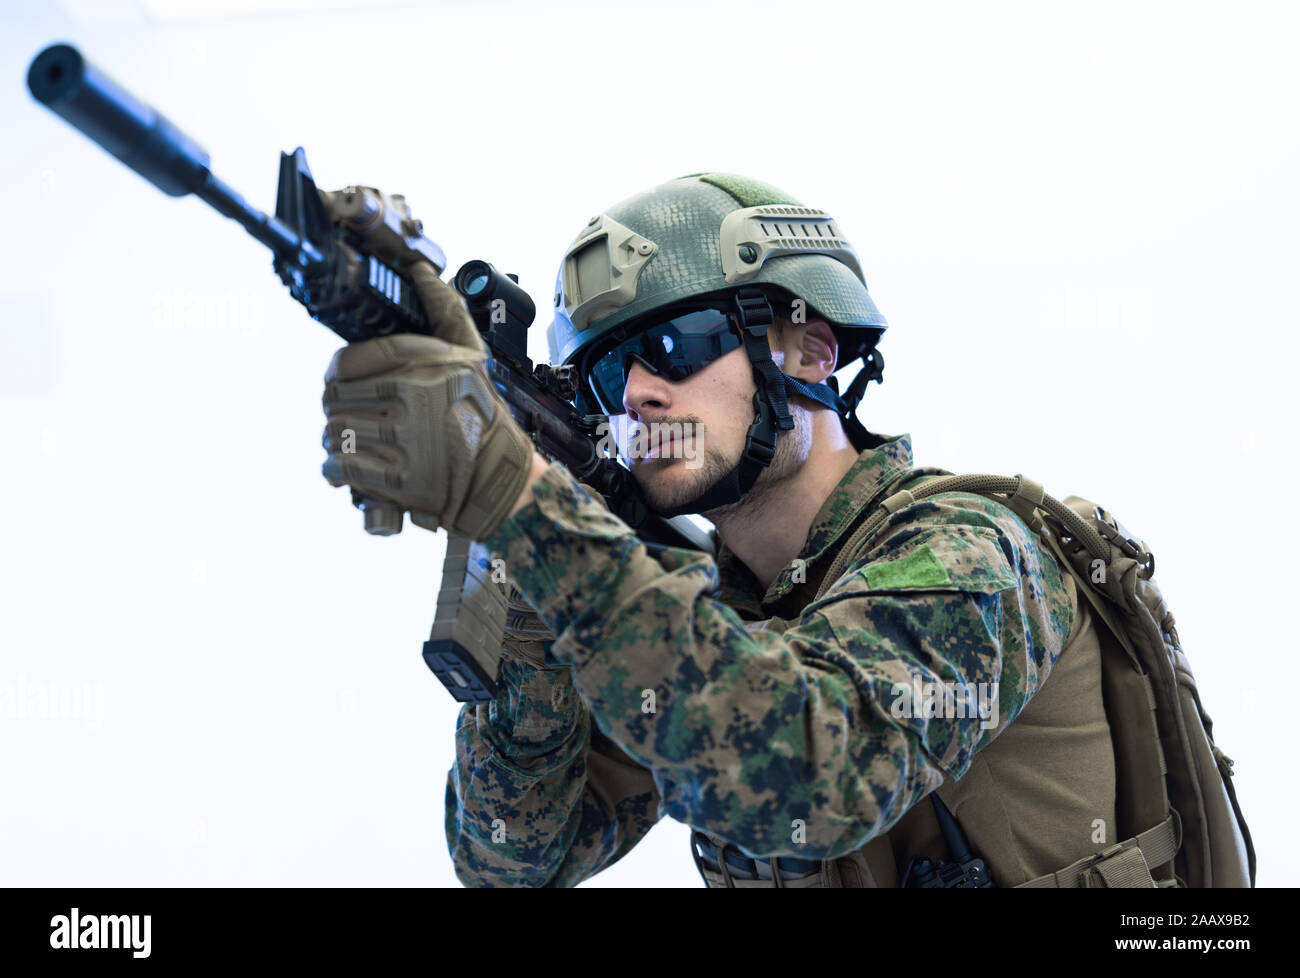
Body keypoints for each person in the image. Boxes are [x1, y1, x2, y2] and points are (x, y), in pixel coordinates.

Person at [320, 173, 1127, 888]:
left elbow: (811, 767)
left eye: (673, 345)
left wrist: (519, 498)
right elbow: (512, 858)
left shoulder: (973, 550)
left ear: (811, 348)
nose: (637, 393)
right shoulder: (711, 618)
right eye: (607, 372)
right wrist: (535, 587)